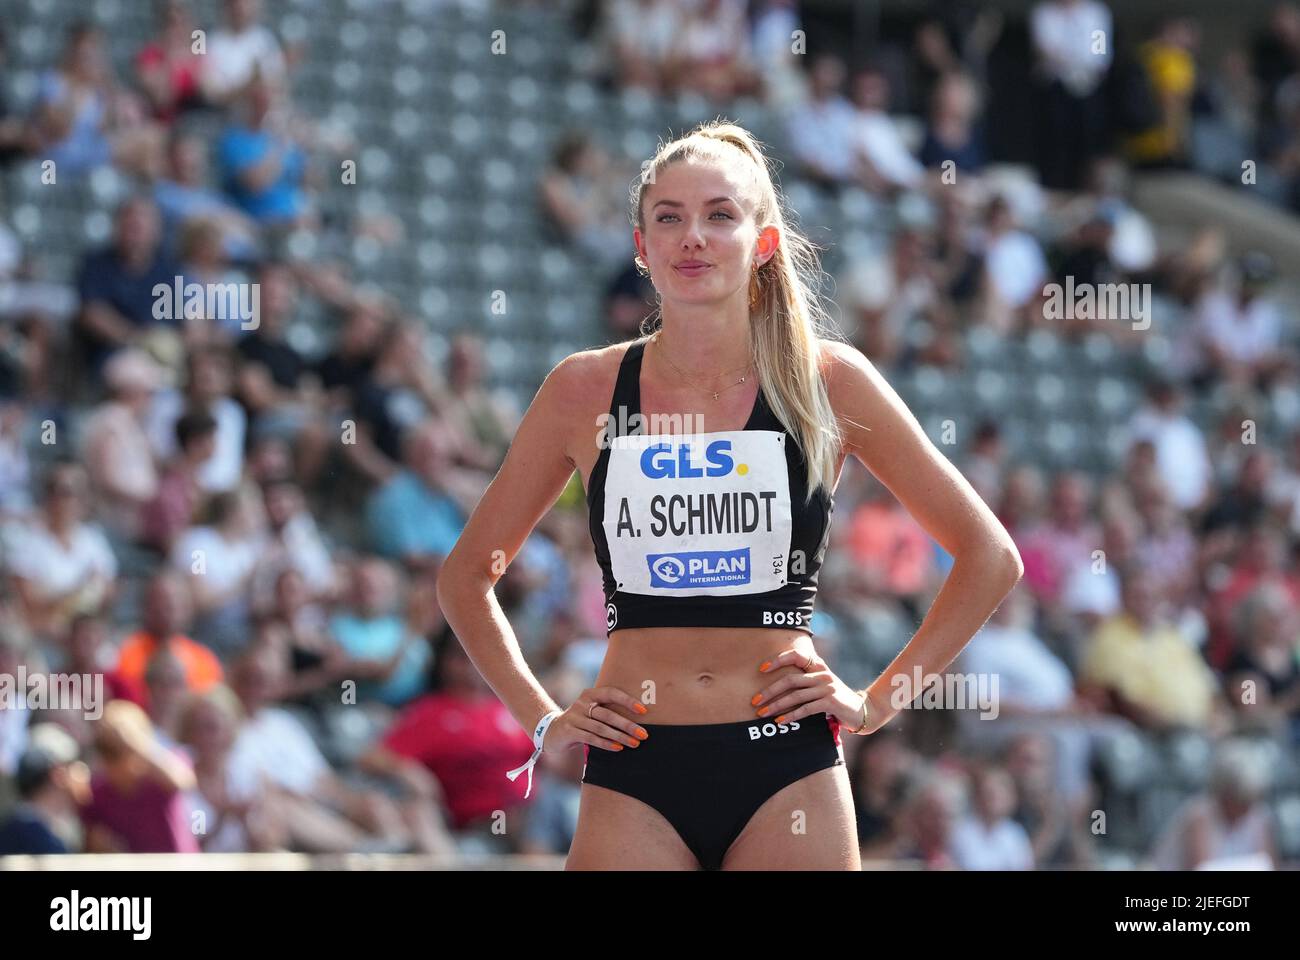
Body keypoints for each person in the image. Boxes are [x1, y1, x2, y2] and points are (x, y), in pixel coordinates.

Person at [436, 121, 1024, 871]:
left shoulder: (828, 381)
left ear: (764, 241)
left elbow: (990, 557)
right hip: (634, 765)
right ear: (642, 247)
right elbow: (464, 576)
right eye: (669, 218)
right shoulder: (582, 388)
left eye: (720, 215)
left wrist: (878, 701)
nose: (693, 238)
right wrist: (543, 719)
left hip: (788, 767)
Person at [0, 724, 90, 854]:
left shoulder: (61, 828)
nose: (83, 771)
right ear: (58, 774)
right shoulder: (24, 831)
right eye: (74, 764)